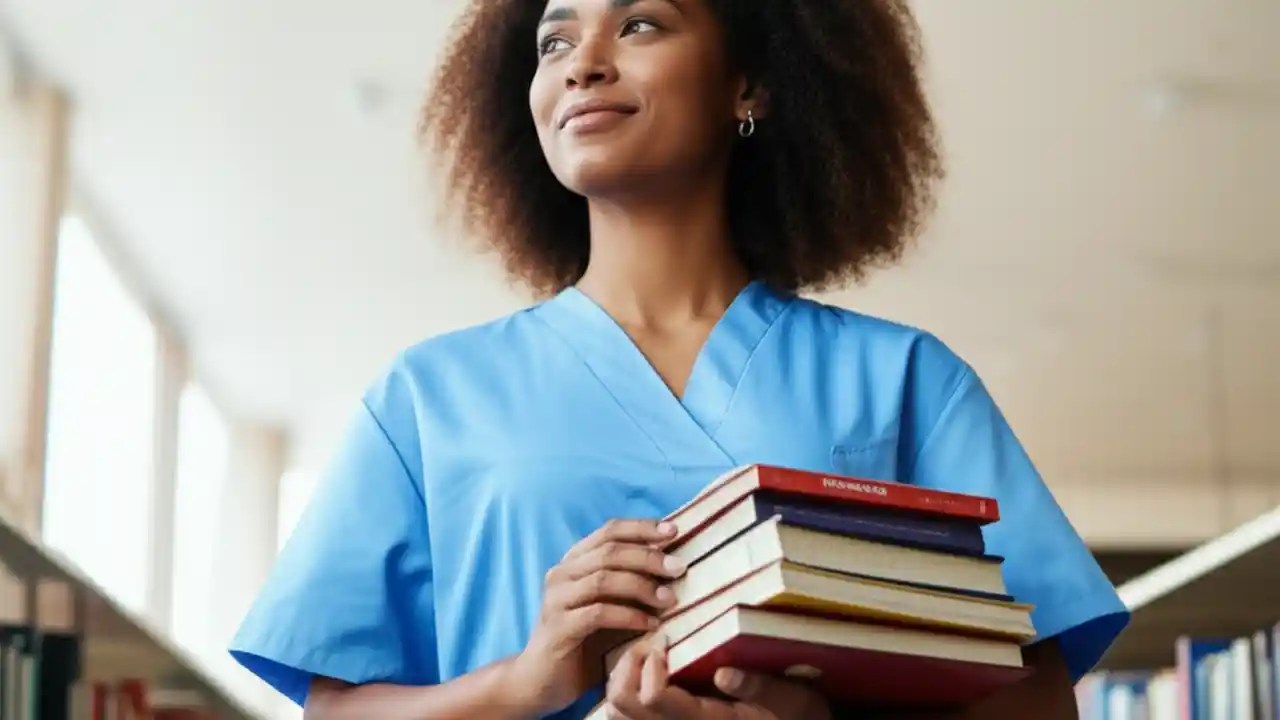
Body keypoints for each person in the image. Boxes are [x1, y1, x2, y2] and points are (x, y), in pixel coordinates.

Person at [229, 0, 1130, 718]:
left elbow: (1038, 698)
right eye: (553, 41)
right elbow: (338, 709)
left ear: (752, 85)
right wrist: (526, 681)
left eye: (640, 23)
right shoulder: (428, 398)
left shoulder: (906, 384)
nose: (582, 61)